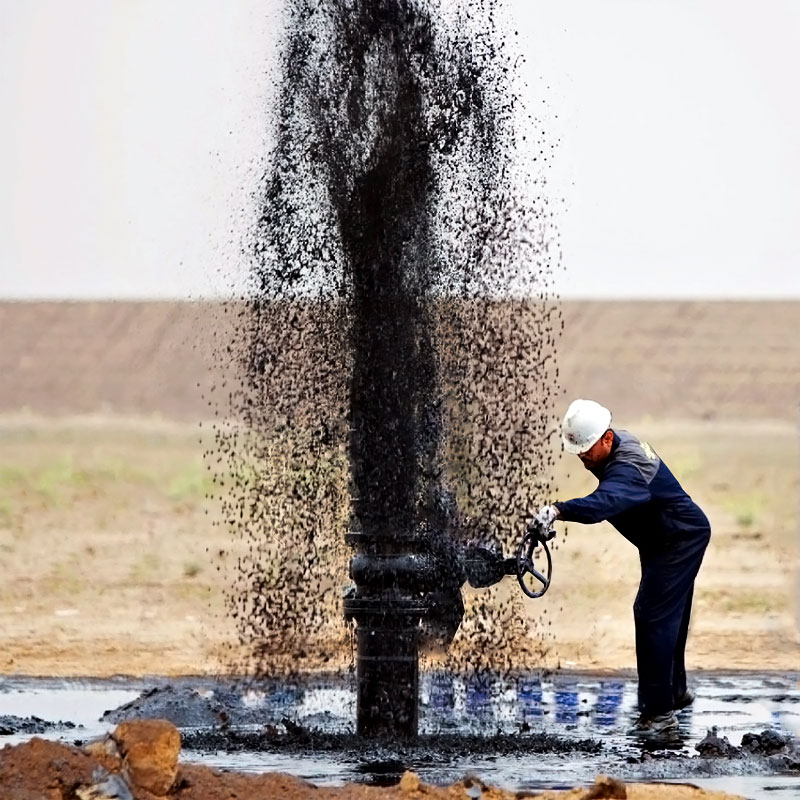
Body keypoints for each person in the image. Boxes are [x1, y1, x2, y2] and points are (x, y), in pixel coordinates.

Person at [533, 399, 711, 740]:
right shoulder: (615, 448)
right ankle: (673, 692)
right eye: (577, 452)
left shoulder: (628, 466)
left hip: (678, 541)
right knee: (668, 616)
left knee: (652, 615)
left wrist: (558, 510)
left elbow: (605, 503)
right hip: (665, 539)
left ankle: (659, 716)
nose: (583, 458)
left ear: (606, 438)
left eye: (586, 450)